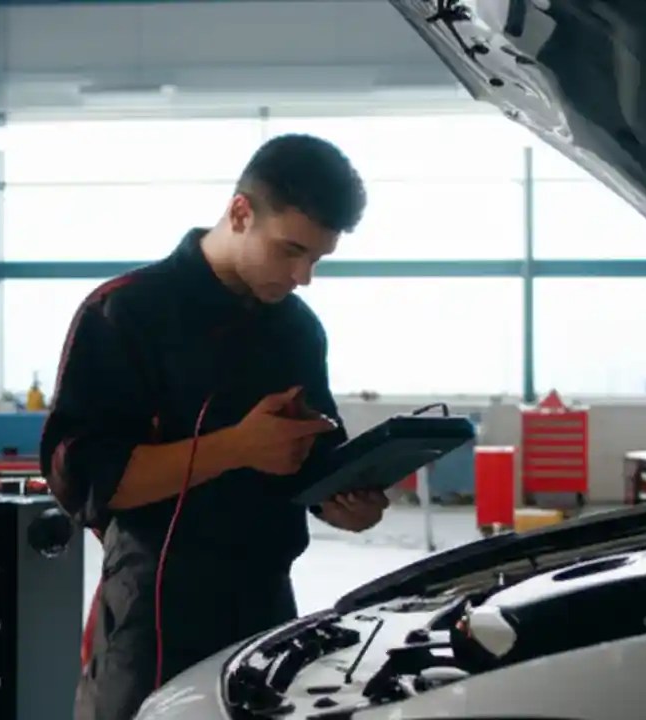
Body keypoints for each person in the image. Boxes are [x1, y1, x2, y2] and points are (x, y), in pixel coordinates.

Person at [40, 133, 389, 720]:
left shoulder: (297, 330)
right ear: (240, 213)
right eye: (290, 250)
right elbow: (83, 480)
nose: (303, 276)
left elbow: (312, 458)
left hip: (269, 610)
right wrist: (235, 448)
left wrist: (343, 503)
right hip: (154, 615)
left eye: (317, 259)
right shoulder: (126, 313)